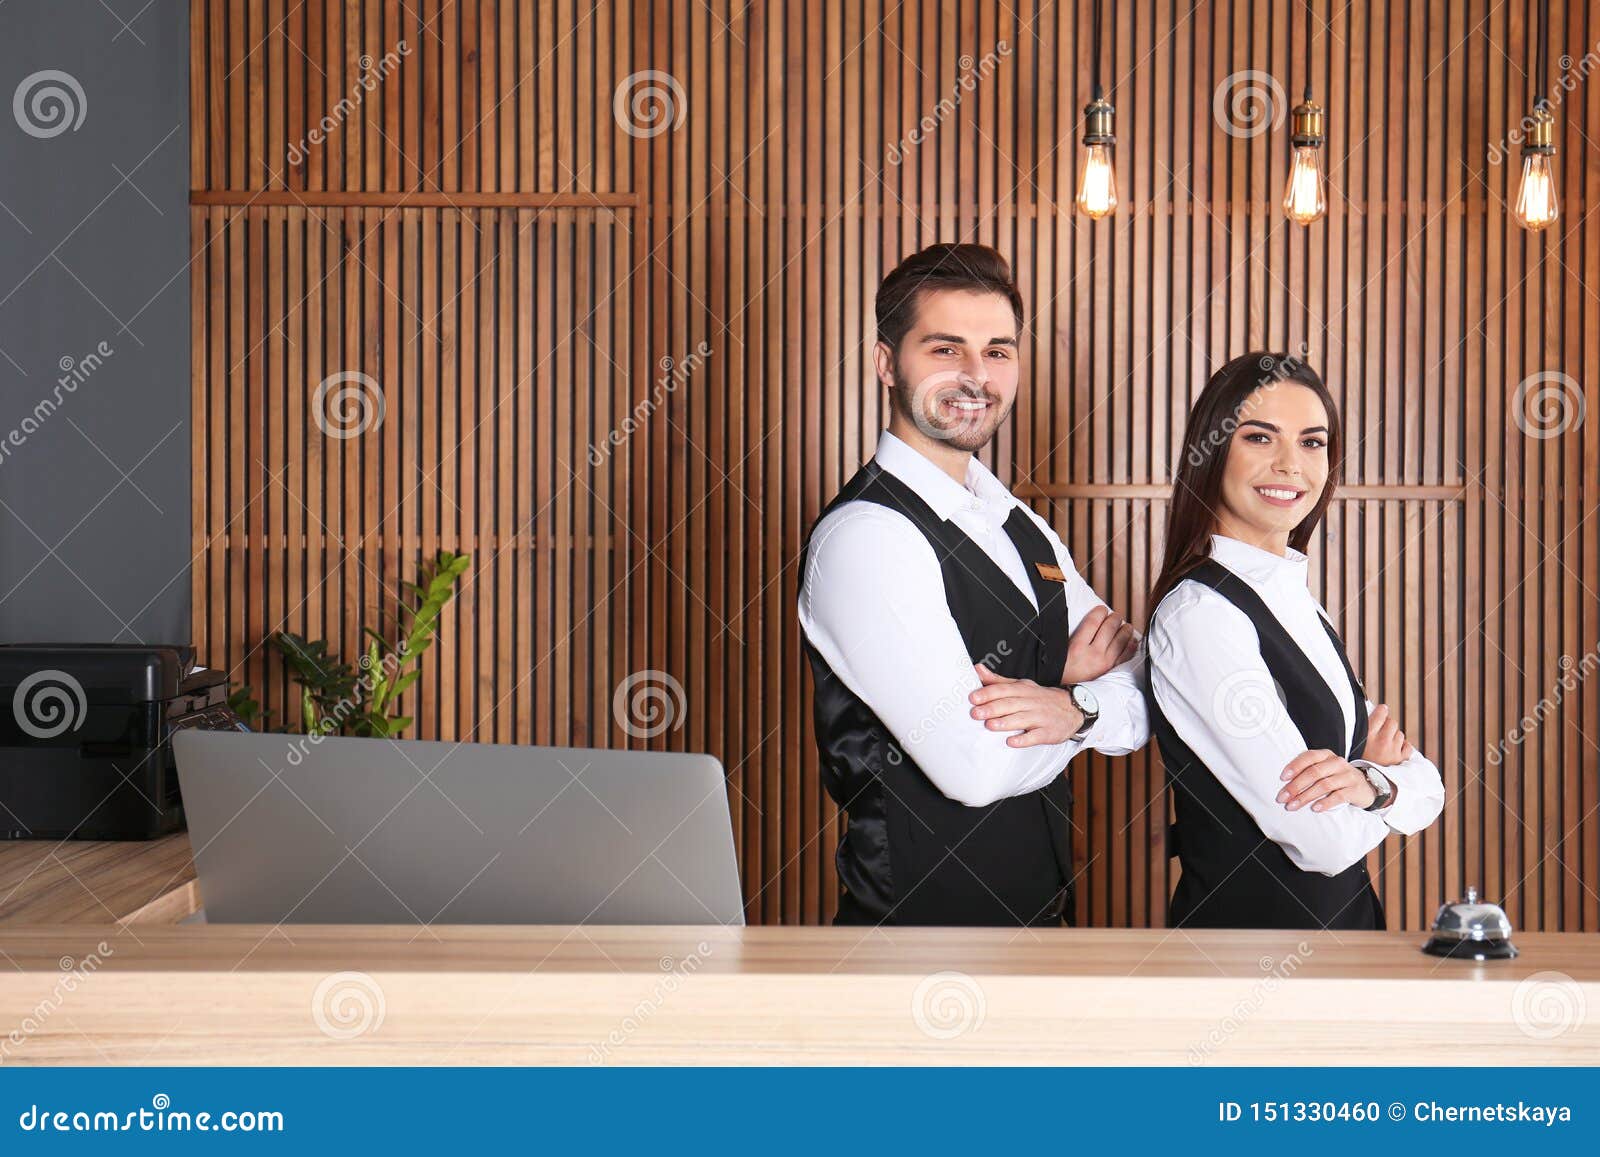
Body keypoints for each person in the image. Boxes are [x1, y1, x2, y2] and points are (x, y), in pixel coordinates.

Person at [797, 242, 1149, 927]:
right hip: (912, 946)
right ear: (886, 363)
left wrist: (1071, 707)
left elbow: (1145, 682)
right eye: (945, 349)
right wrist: (1073, 692)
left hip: (1043, 932)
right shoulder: (866, 537)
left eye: (997, 351)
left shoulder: (1021, 525)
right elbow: (975, 768)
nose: (977, 376)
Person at [1145, 351, 1445, 929]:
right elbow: (1322, 842)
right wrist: (1382, 784)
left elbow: (1428, 788)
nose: (1291, 465)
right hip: (1249, 953)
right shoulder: (1201, 615)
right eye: (1260, 438)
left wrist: (1372, 783)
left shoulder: (1300, 602)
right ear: (1212, 451)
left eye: (1312, 443)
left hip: (1347, 937)